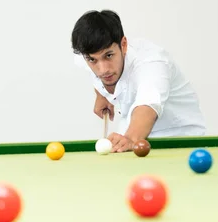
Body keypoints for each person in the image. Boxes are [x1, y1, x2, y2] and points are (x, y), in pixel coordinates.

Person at [71, 9, 206, 152]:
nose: (103, 69)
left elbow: (147, 104)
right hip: (129, 134)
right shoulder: (84, 56)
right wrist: (101, 94)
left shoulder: (152, 63)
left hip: (178, 140)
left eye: (109, 55)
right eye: (92, 60)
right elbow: (92, 69)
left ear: (123, 45)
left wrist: (131, 139)